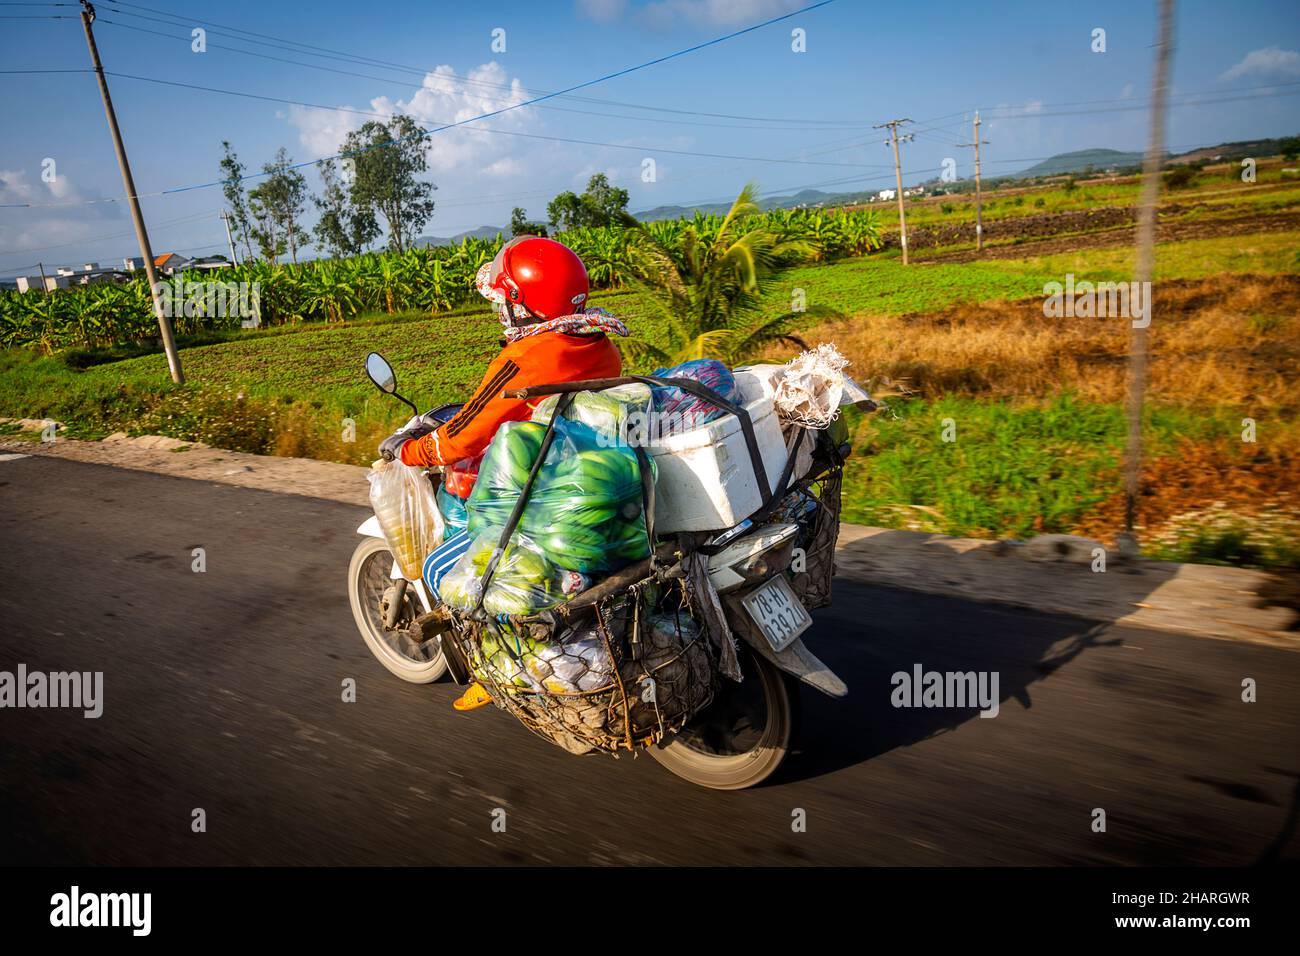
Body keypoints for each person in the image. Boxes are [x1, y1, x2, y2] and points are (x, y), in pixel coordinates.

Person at [378, 236, 627, 711]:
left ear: (522, 303)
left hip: (534, 494)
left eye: (503, 302)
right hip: (588, 471)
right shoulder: (596, 341)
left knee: (439, 568)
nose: (500, 313)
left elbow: (462, 437)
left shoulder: (525, 358)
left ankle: (494, 668)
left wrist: (412, 452)